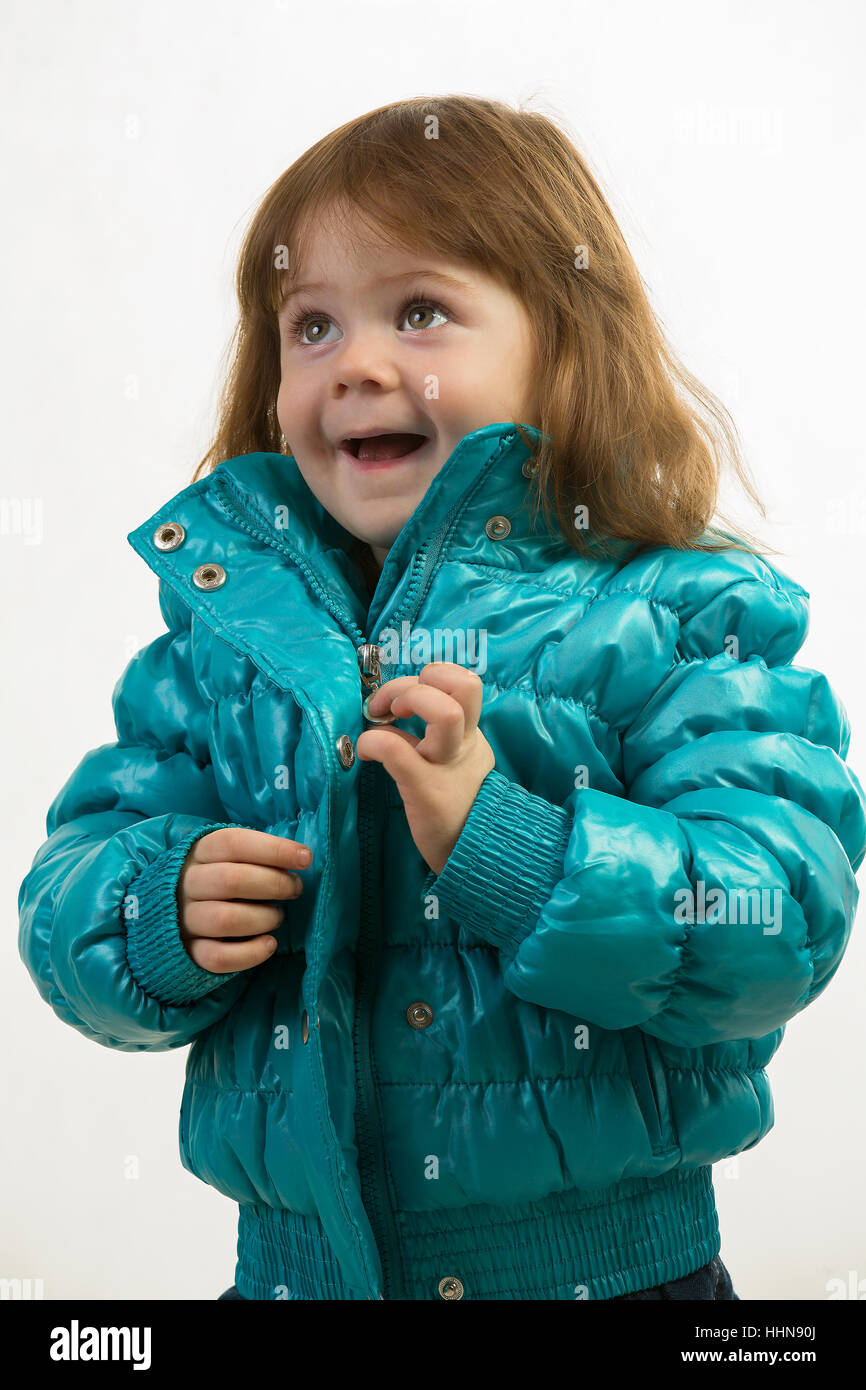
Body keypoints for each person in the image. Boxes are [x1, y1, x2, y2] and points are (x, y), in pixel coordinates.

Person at [18, 95, 866, 1302]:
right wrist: (157, 907)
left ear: (561, 341)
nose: (354, 362)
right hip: (292, 1281)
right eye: (308, 326)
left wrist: (511, 847)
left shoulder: (677, 613)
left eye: (418, 311)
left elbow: (778, 913)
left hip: (611, 1283)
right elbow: (66, 889)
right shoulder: (228, 639)